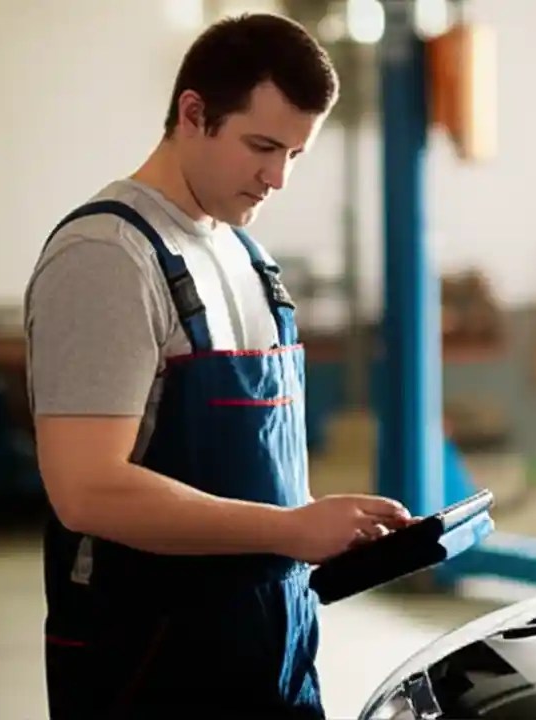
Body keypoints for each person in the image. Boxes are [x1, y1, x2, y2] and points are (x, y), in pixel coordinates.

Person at [23, 13, 413, 718]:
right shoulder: (109, 257)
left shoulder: (246, 255)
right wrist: (287, 530)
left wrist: (324, 528)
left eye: (296, 153)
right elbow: (85, 490)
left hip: (271, 648)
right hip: (153, 662)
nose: (279, 178)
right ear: (193, 113)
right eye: (262, 146)